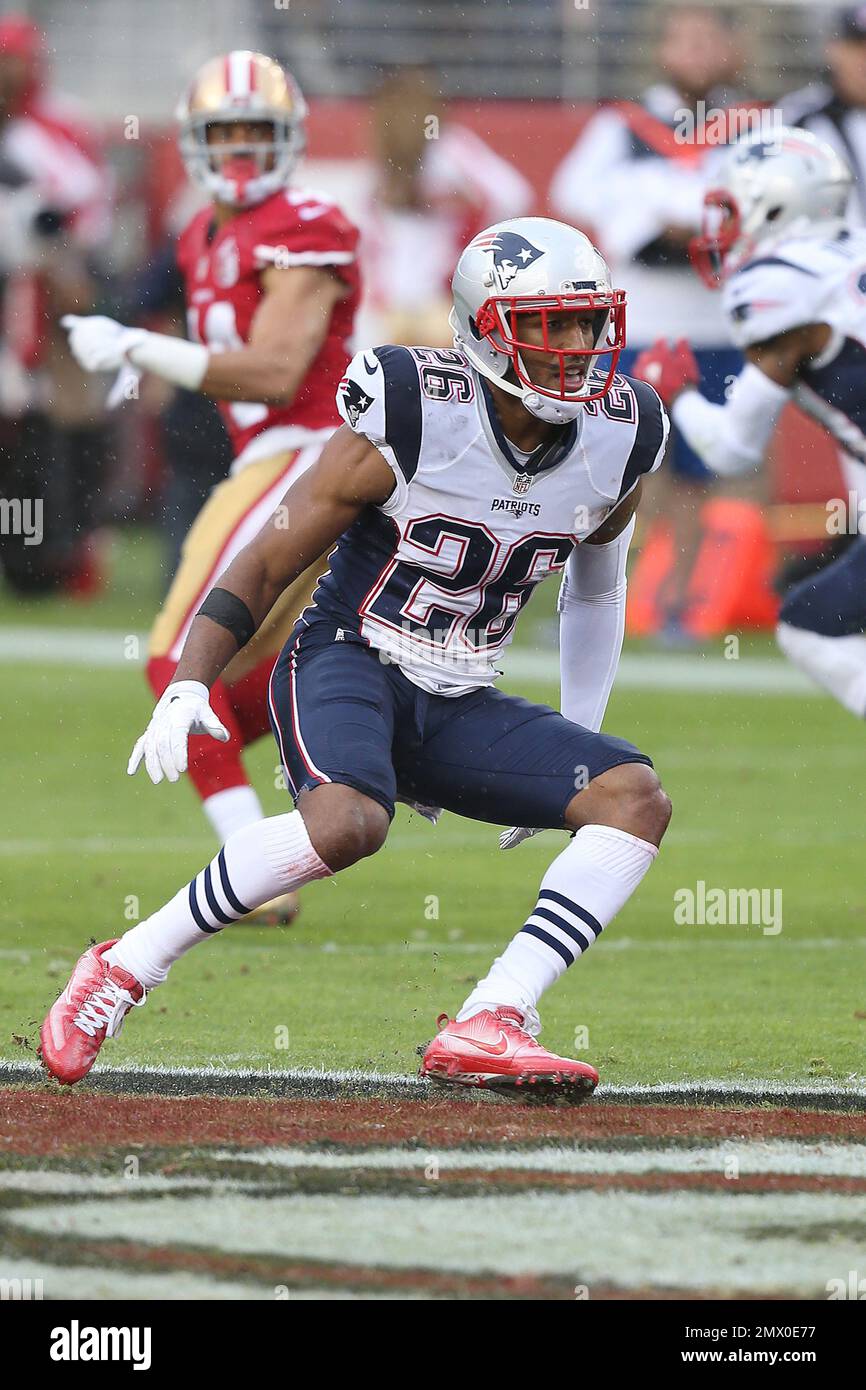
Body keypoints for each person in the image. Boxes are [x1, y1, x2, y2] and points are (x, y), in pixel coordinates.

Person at [41, 216, 672, 1098]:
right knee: (348, 826)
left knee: (632, 797)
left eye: (584, 321)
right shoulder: (417, 412)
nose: (574, 346)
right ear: (484, 330)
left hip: (462, 691)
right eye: (547, 324)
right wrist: (192, 680)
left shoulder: (622, 432)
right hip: (351, 656)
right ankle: (123, 967)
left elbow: (597, 590)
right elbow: (266, 559)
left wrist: (578, 731)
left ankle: (493, 1015)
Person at [63, 51, 361, 925]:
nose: (238, 149)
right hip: (274, 459)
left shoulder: (306, 223)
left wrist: (143, 349)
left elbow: (274, 370)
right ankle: (298, 809)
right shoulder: (199, 233)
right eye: (222, 132)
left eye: (254, 132)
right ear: (194, 143)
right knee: (229, 686)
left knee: (173, 660)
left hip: (309, 452)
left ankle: (253, 866)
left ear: (289, 141)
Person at [632, 128, 866, 717]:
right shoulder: (851, 257)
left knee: (812, 626)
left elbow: (730, 449)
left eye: (734, 207)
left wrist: (675, 394)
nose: (724, 226)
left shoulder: (780, 286)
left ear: (779, 203)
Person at [550, 5, 747, 639]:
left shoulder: (749, 126)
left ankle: (676, 603)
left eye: (708, 38)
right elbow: (574, 191)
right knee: (617, 465)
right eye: (684, 37)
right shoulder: (624, 125)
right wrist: (652, 219)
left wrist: (695, 223)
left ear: (731, 49)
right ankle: (593, 598)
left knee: (697, 471)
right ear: (661, 49)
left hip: (713, 324)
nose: (695, 51)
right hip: (638, 323)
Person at [0, 13, 113, 595]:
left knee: (66, 424)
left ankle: (61, 552)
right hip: (17, 287)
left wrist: (63, 260)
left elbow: (85, 210)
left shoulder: (55, 127)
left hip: (48, 291)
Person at [364, 66, 533, 346]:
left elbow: (513, 195)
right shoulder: (386, 162)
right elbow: (376, 234)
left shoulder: (449, 146)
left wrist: (462, 211)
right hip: (395, 301)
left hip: (444, 297)